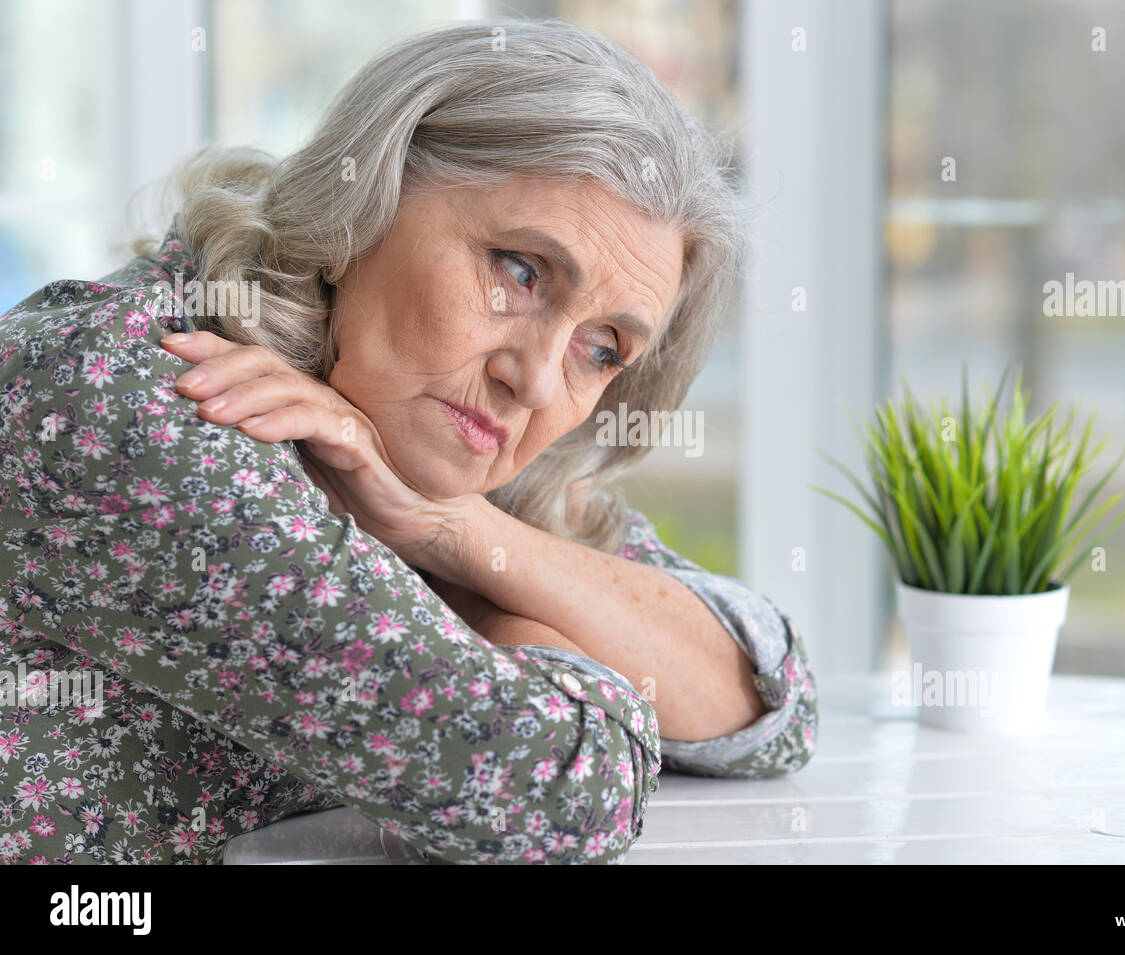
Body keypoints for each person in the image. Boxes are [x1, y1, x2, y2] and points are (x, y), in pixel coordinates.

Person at [0, 18, 816, 865]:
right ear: (367, 199)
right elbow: (564, 791)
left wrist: (453, 532)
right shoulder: (132, 399)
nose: (536, 381)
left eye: (602, 347)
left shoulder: (416, 440)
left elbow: (766, 698)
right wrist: (488, 600)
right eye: (521, 270)